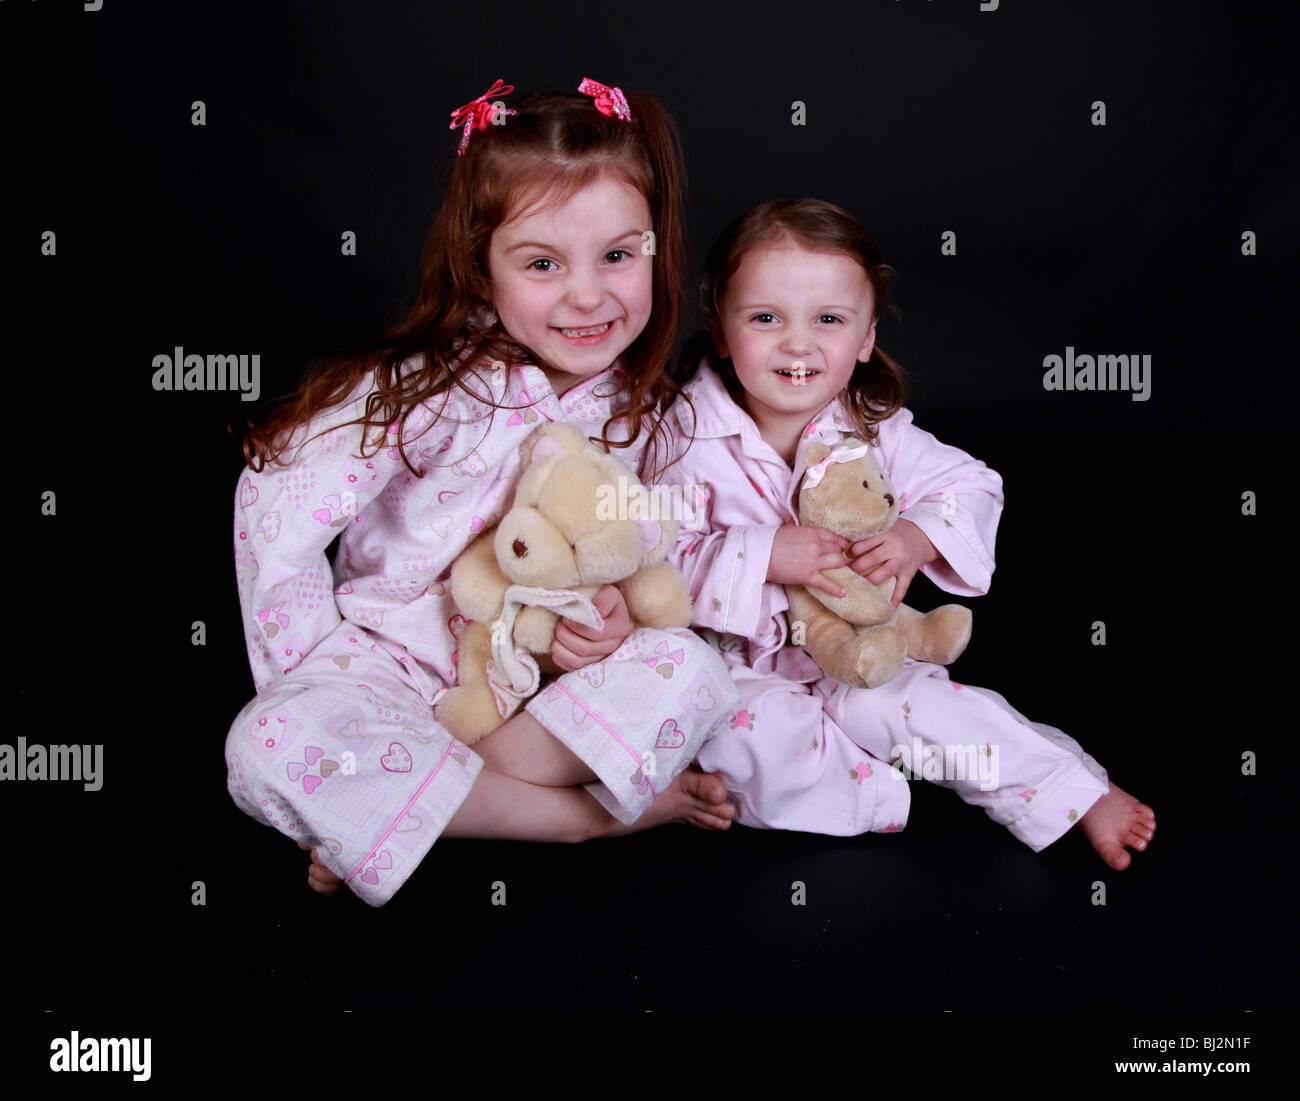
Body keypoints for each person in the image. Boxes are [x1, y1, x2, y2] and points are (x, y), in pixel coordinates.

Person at [225, 78, 738, 905]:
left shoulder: (649, 412)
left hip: (539, 695)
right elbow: (275, 498)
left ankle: (409, 809)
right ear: (479, 260)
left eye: (617, 254)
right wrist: (306, 669)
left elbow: (648, 551)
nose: (587, 294)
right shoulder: (428, 389)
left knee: (697, 671)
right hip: (388, 670)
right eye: (542, 262)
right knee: (270, 743)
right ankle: (587, 820)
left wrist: (611, 618)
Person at [652, 198, 1156, 869]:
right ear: (720, 328)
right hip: (739, 663)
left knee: (925, 711)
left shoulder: (871, 424)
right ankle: (874, 794)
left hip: (862, 646)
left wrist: (918, 538)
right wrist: (761, 555)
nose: (797, 344)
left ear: (863, 339)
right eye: (765, 318)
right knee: (745, 740)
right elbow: (652, 564)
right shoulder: (682, 435)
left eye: (828, 320)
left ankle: (1069, 788)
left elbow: (972, 485)